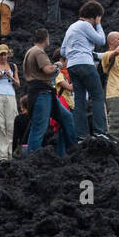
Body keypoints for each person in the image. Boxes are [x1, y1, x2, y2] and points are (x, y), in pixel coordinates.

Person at [23, 28, 77, 156]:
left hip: (47, 94)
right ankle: (32, 158)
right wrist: (58, 65)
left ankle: (73, 151)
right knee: (39, 127)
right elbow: (48, 70)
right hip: (42, 94)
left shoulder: (30, 51)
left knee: (67, 118)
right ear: (46, 39)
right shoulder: (38, 52)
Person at [63, 1, 112, 141]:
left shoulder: (71, 27)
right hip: (85, 63)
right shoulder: (85, 25)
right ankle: (100, 131)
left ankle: (81, 135)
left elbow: (62, 50)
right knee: (97, 95)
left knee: (79, 100)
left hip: (72, 66)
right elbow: (101, 40)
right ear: (95, 16)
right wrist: (98, 24)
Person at [0, 44, 20, 162]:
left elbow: (18, 84)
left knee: (11, 125)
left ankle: (10, 155)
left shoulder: (13, 66)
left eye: (4, 54)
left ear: (8, 54)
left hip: (10, 96)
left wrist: (10, 75)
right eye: (0, 54)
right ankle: (2, 156)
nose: (2, 57)